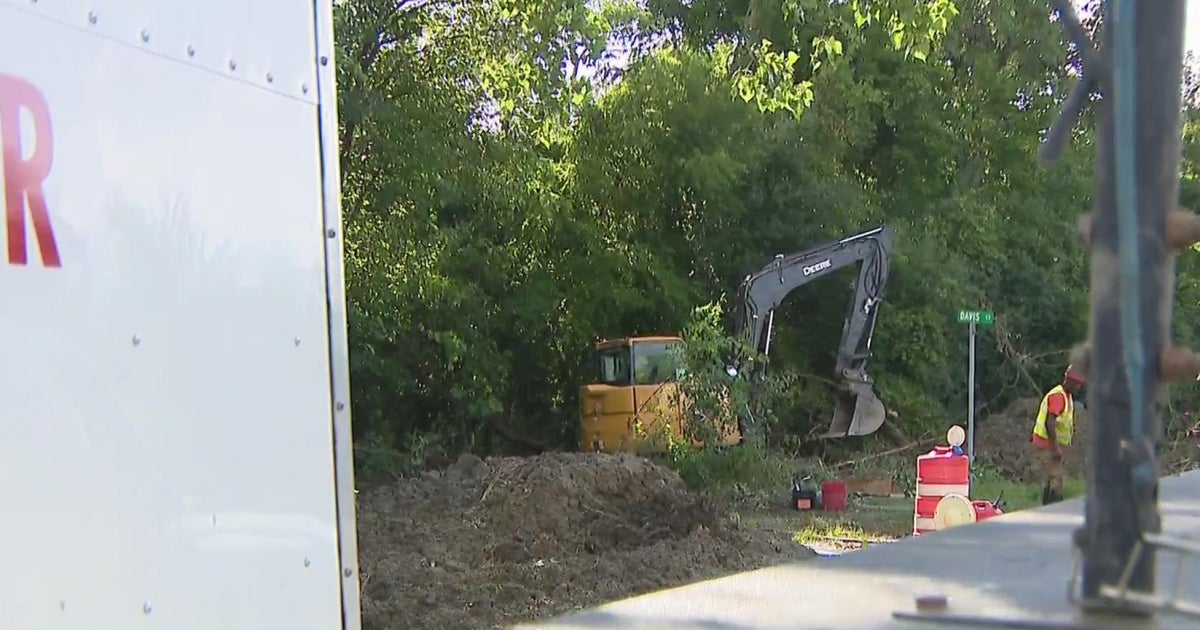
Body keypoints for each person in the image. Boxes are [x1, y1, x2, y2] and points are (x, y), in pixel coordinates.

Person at [1030, 365, 1086, 505]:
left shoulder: (1065, 396)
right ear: (1070, 381)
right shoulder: (1059, 396)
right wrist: (1055, 448)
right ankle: (1054, 508)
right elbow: (1050, 422)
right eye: (1077, 384)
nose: (1078, 387)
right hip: (1046, 443)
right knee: (1056, 478)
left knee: (1051, 478)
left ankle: (1046, 509)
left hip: (1049, 443)